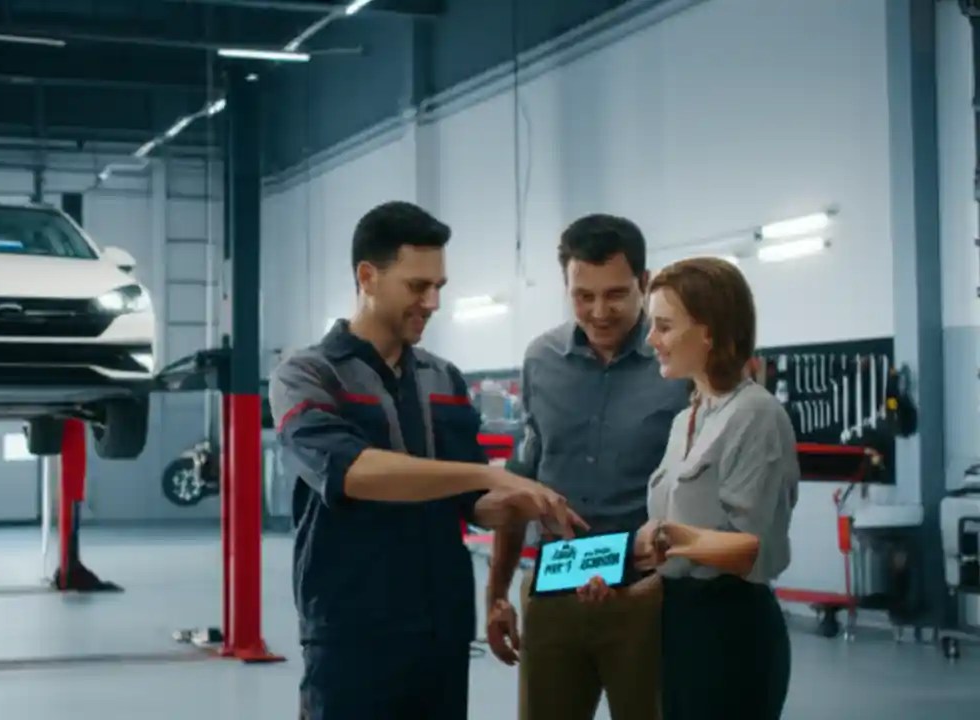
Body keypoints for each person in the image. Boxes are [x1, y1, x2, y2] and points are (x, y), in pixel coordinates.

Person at [268, 200, 588, 720]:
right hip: (351, 628)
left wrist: (526, 502)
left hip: (440, 627)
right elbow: (350, 472)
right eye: (418, 286)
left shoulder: (443, 378)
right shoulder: (307, 375)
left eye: (439, 286)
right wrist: (488, 472)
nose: (433, 301)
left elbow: (473, 504)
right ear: (368, 277)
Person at [482, 214, 691, 720]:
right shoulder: (541, 360)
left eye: (616, 294)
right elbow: (520, 482)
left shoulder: (678, 366)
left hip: (648, 595)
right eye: (583, 295)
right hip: (555, 586)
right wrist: (497, 594)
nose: (599, 312)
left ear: (645, 283)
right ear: (566, 287)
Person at [580, 256, 799, 720]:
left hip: (731, 635)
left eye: (663, 326)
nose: (651, 340)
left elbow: (750, 552)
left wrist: (669, 539)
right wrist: (626, 584)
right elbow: (677, 554)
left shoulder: (756, 416)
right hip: (676, 625)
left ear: (709, 333)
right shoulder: (686, 419)